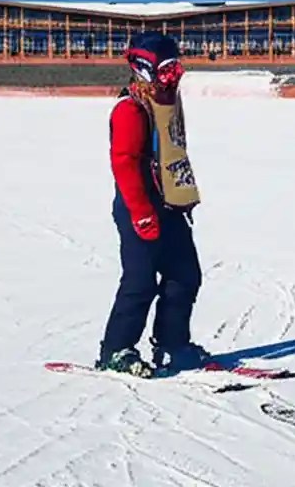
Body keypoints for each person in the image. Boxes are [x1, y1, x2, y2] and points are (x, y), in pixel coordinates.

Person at [97, 32, 208, 377]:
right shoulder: (130, 109)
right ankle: (116, 350)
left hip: (169, 205)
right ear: (144, 69)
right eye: (166, 68)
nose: (173, 76)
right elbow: (125, 163)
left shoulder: (165, 103)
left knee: (185, 275)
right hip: (139, 206)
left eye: (175, 67)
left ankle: (172, 343)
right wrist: (142, 213)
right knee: (140, 280)